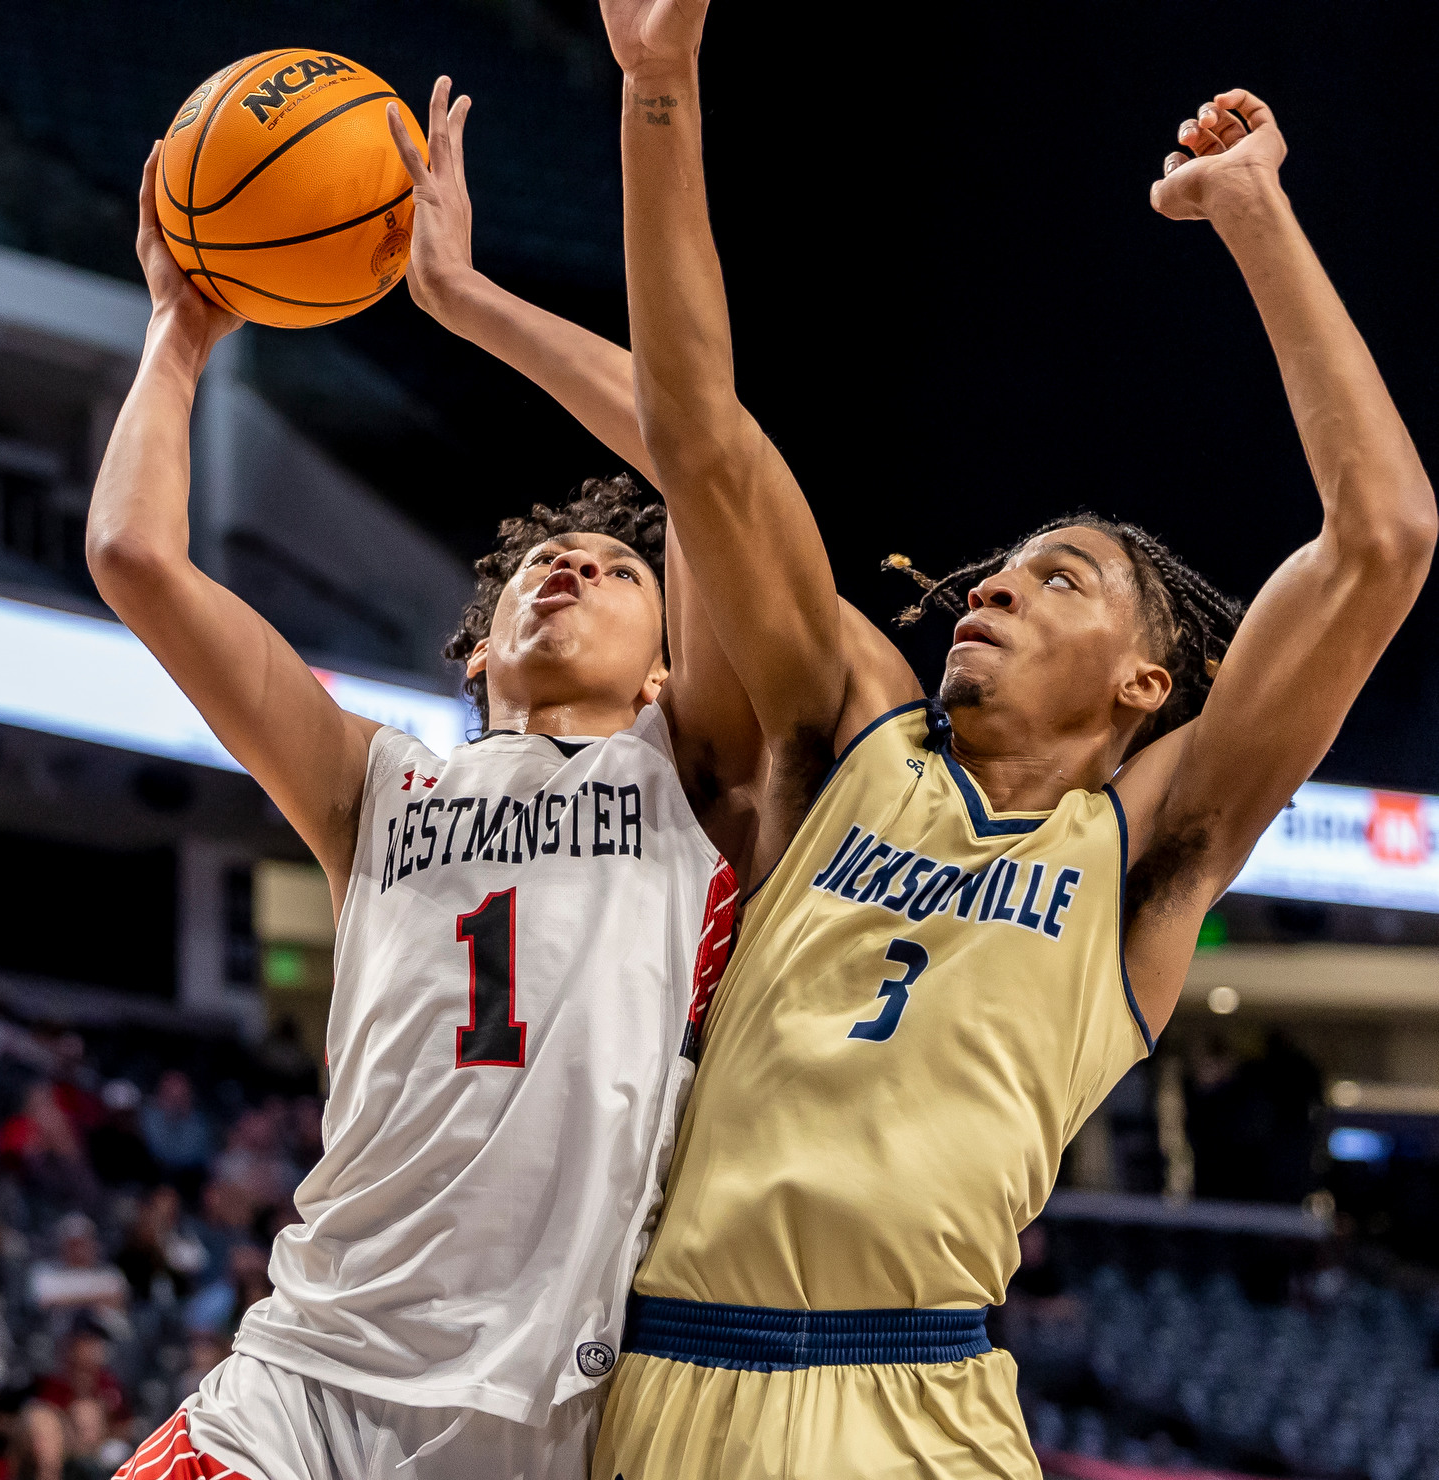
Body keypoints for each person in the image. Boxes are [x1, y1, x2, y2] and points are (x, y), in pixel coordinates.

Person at [586, 3, 1436, 1475]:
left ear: (1144, 690)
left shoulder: (1145, 849)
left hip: (917, 1399)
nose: (992, 585)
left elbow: (1382, 539)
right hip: (674, 1375)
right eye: (1001, 569)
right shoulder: (839, 738)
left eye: (1061, 579)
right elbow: (700, 438)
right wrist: (659, 89)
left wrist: (1254, 219)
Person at [92, 93, 764, 1471]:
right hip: (305, 1376)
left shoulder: (690, 772)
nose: (569, 565)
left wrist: (463, 302)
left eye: (619, 570)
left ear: (665, 667)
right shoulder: (373, 789)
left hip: (548, 1413)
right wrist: (181, 331)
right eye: (540, 563)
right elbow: (135, 560)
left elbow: (700, 451)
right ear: (474, 649)